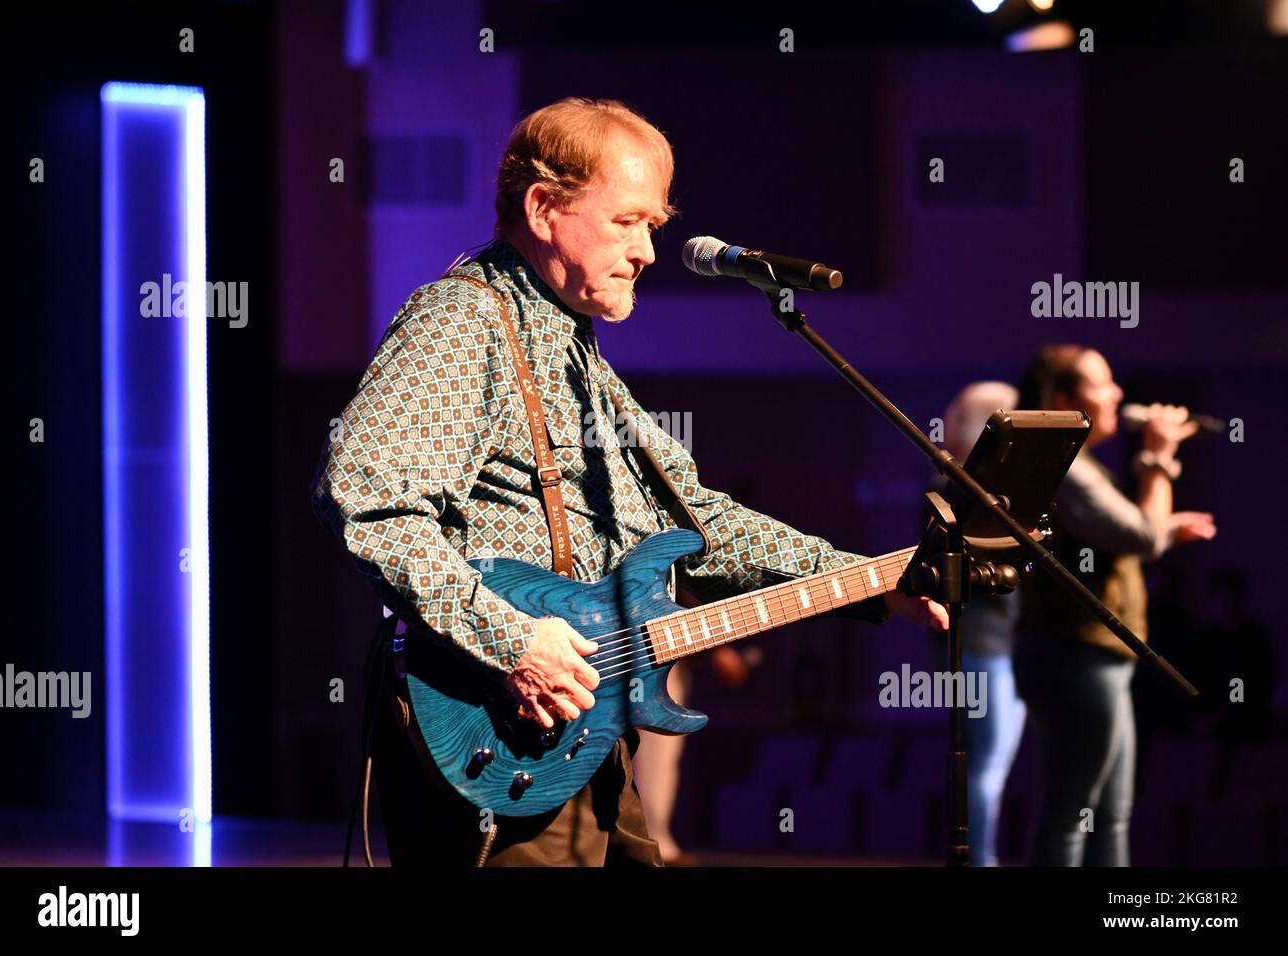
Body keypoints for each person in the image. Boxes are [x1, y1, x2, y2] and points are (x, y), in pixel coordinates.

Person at [313, 97, 946, 867]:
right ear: (544, 208)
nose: (649, 248)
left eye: (656, 224)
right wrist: (515, 643)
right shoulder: (465, 320)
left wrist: (872, 583)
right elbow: (367, 499)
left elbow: (693, 522)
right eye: (628, 221)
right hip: (498, 726)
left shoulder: (575, 352)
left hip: (582, 731)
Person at [1013, 345, 1216, 866]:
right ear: (1062, 398)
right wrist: (1157, 457)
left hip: (1094, 657)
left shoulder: (1083, 468)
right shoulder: (1067, 469)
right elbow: (1142, 537)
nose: (1119, 395)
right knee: (1072, 808)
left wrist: (1165, 530)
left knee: (1109, 812)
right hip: (1074, 656)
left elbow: (1127, 536)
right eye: (1102, 384)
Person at [926, 382, 1026, 866]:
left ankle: (982, 857)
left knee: (986, 764)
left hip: (987, 644)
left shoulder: (959, 488)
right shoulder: (967, 492)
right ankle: (981, 860)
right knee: (988, 765)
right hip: (985, 645)